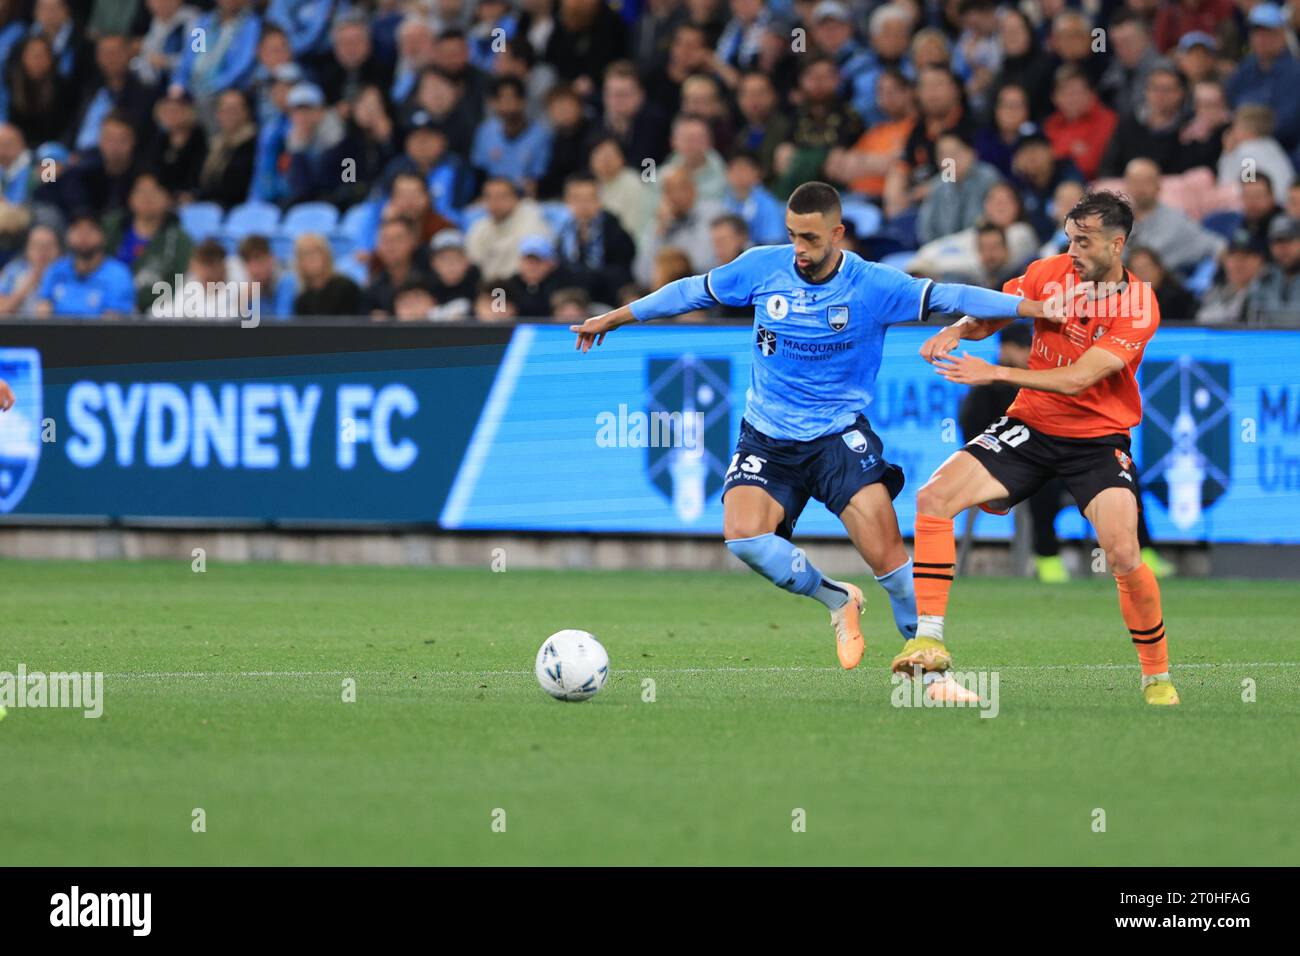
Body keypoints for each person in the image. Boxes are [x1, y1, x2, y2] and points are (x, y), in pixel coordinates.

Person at [570, 181, 1055, 690]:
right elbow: (690, 290)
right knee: (744, 538)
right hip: (766, 438)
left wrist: (1030, 308)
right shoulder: (762, 266)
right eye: (793, 236)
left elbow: (951, 295)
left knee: (889, 559)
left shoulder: (873, 285)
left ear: (838, 233)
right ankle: (838, 600)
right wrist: (615, 317)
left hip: (837, 438)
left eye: (811, 239)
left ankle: (930, 672)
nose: (800, 250)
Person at [910, 190, 1181, 706]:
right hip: (1031, 428)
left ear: (1117, 243)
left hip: (1098, 440)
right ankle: (928, 638)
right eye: (1069, 237)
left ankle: (1156, 676)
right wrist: (959, 328)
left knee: (1123, 553)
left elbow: (1080, 379)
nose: (1072, 248)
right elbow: (999, 310)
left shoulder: (1139, 304)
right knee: (933, 498)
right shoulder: (1047, 271)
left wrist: (995, 372)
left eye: (1084, 240)